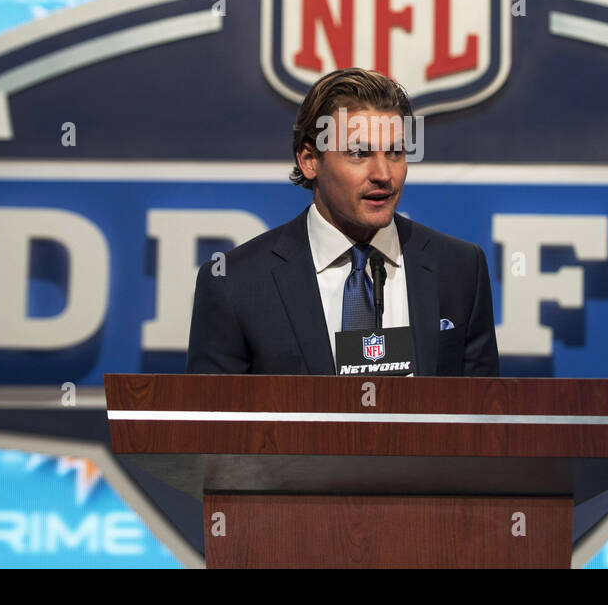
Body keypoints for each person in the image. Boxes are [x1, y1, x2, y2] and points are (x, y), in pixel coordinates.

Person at [186, 67, 499, 376]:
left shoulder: (460, 270)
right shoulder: (236, 283)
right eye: (359, 153)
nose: (383, 174)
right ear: (309, 160)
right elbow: (215, 423)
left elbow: (483, 419)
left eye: (394, 152)